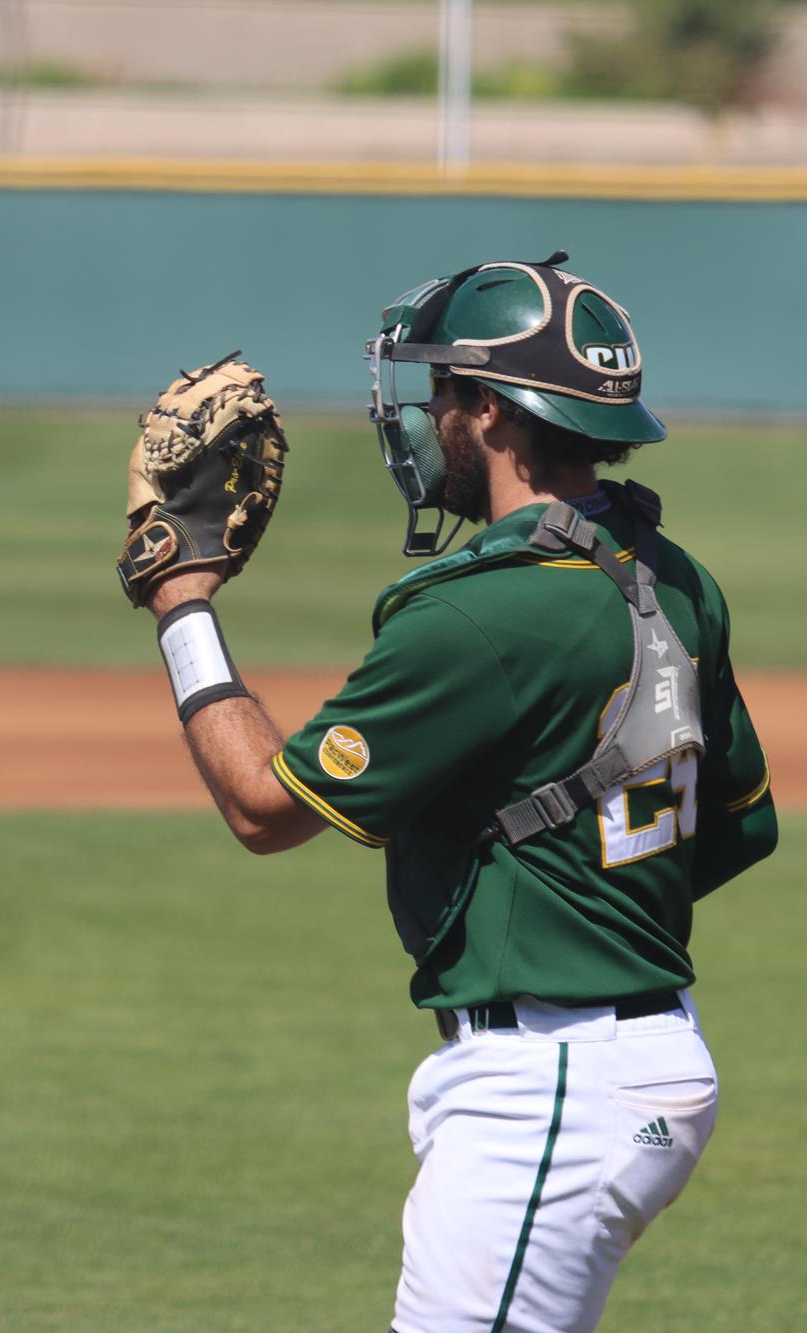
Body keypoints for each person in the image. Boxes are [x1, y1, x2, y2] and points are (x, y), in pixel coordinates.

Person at [129, 255, 776, 1331]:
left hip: (551, 1086)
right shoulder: (673, 577)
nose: (426, 417)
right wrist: (586, 878)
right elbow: (733, 826)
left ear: (492, 412)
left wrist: (179, 603)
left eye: (440, 391)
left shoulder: (480, 615)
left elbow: (260, 806)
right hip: (633, 1053)